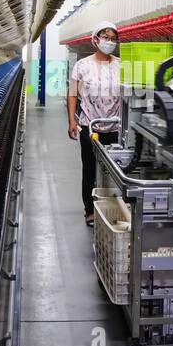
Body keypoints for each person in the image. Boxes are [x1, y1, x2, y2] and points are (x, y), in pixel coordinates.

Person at [67, 22, 124, 226]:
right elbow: (73, 93)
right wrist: (72, 120)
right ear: (95, 39)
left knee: (116, 171)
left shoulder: (122, 64)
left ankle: (114, 207)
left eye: (113, 38)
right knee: (89, 169)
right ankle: (89, 210)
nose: (109, 41)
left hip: (115, 128)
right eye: (105, 37)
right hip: (89, 126)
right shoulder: (82, 65)